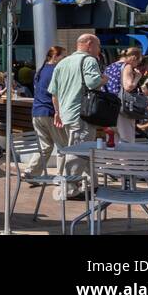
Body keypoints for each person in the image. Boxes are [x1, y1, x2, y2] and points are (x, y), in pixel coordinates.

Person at [48, 33, 104, 194]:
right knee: (78, 153)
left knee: (83, 151)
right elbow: (93, 83)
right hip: (82, 115)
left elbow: (54, 93)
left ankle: (91, 187)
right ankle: (69, 189)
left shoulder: (62, 63)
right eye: (98, 46)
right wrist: (104, 79)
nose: (99, 50)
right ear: (89, 44)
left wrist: (58, 112)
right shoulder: (89, 60)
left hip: (66, 115)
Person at [27, 46, 66, 178]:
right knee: (63, 147)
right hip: (50, 112)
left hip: (37, 112)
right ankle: (62, 178)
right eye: (63, 57)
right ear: (55, 57)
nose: (65, 60)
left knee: (45, 146)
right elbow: (55, 93)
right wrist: (58, 112)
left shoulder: (40, 70)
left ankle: (31, 172)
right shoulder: (57, 70)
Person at [116, 46, 146, 142]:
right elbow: (128, 87)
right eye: (138, 62)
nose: (137, 65)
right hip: (123, 108)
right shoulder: (127, 66)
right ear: (133, 58)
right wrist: (137, 77)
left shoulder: (110, 66)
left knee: (113, 141)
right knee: (127, 140)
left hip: (110, 109)